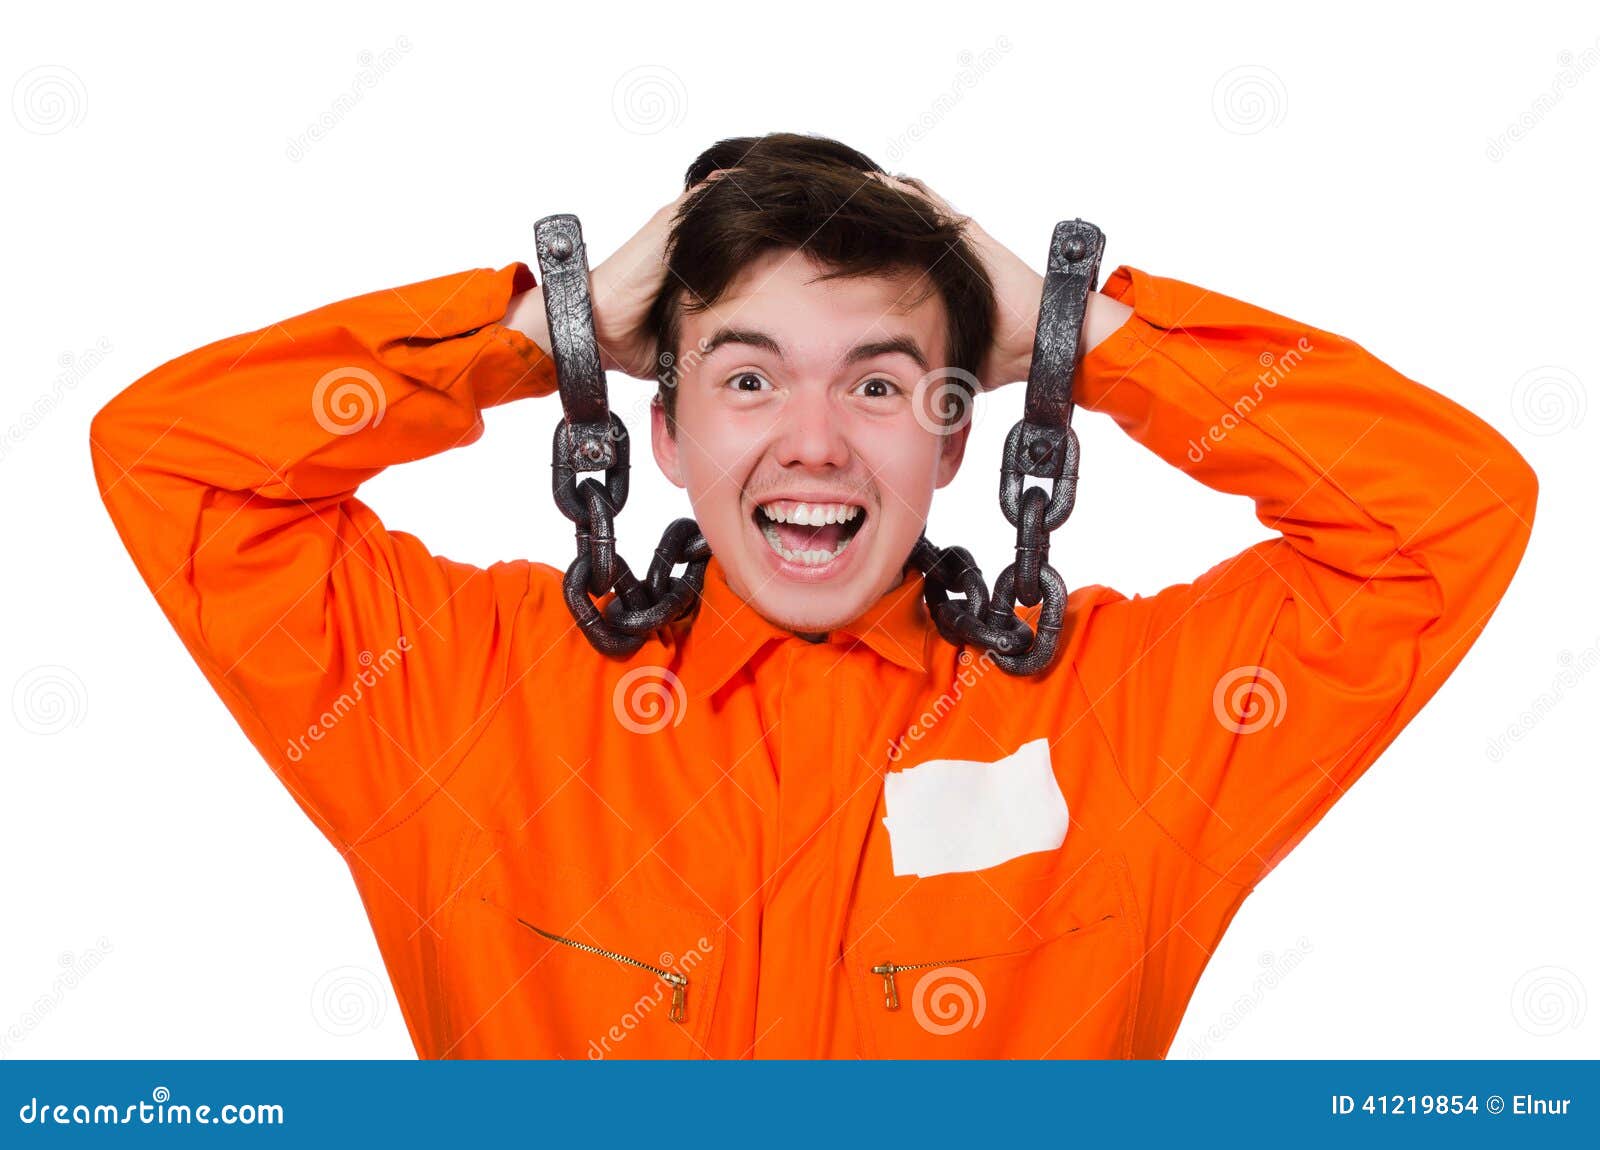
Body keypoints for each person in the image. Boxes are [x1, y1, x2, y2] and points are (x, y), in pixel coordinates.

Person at [89, 132, 1537, 1059]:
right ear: (659, 430)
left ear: (964, 430)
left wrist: (1079, 328)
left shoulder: (1130, 728)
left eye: (883, 381)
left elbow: (1443, 513)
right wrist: (552, 330)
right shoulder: (459, 704)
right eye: (746, 374)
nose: (817, 439)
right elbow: (173, 464)